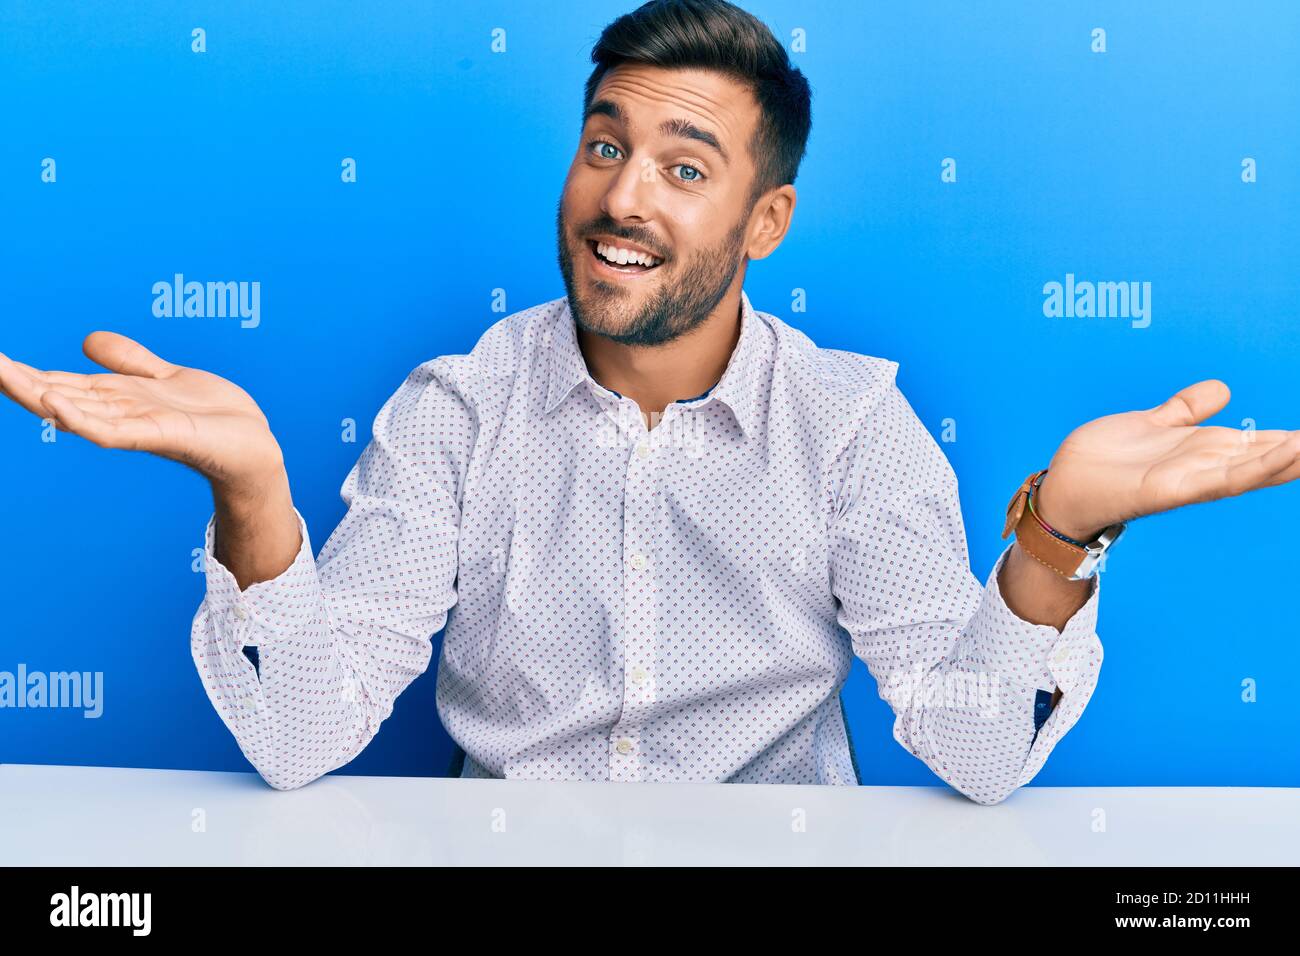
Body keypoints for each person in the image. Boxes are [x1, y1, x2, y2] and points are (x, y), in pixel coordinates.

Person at [2, 0, 1296, 804]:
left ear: (766, 219)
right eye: (607, 145)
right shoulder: (460, 406)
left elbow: (976, 752)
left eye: (686, 166)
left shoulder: (849, 427)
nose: (624, 198)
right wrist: (254, 500)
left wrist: (1056, 542)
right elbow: (296, 737)